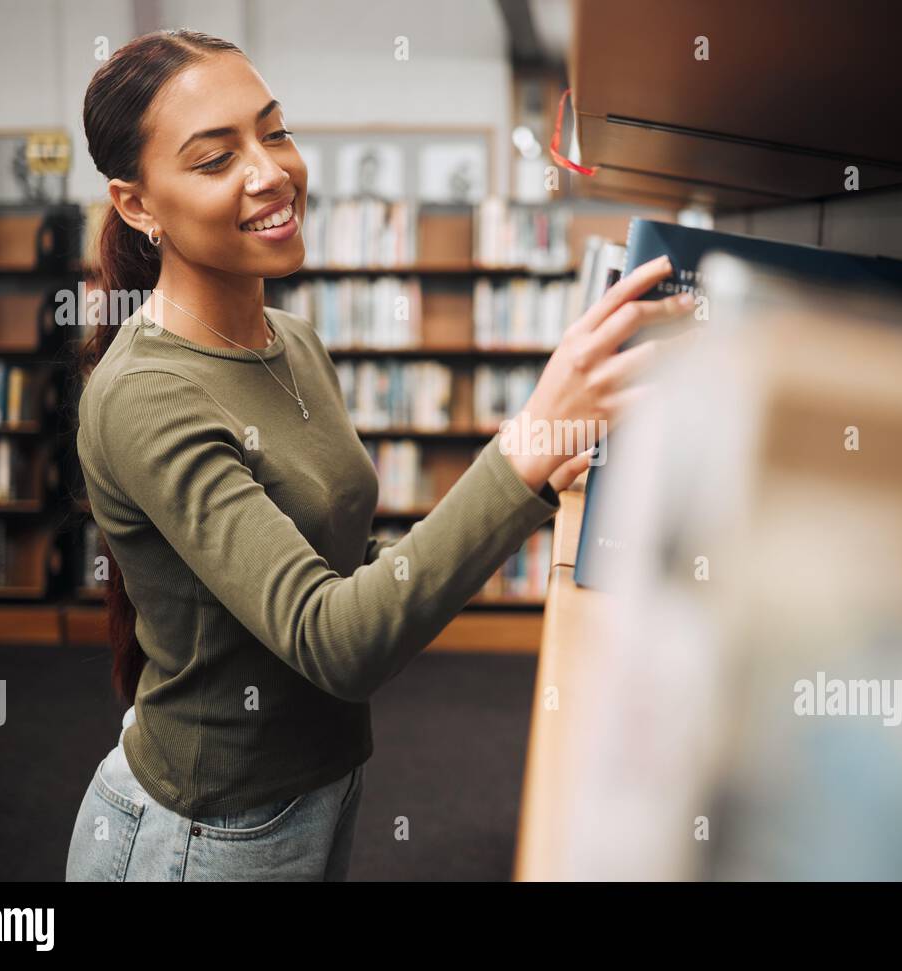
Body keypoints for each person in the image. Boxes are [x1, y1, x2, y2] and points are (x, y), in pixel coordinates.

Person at [64, 28, 691, 881]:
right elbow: (337, 638)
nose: (271, 171)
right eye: (215, 159)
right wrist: (525, 450)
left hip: (323, 784)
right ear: (137, 205)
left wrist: (539, 473)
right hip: (207, 831)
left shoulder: (295, 342)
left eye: (274, 131)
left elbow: (350, 575)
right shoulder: (147, 392)